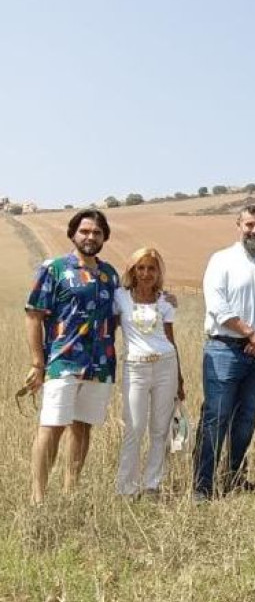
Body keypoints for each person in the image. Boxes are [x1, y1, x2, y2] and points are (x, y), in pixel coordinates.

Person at [25, 209, 120, 505]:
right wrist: (38, 363)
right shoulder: (53, 269)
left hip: (100, 364)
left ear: (104, 237)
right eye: (85, 231)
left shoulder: (110, 275)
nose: (91, 237)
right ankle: (38, 498)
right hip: (63, 362)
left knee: (82, 427)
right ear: (73, 234)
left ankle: (70, 492)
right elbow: (34, 315)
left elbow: (121, 314)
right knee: (51, 425)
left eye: (97, 232)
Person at [195, 205, 255, 501]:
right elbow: (217, 306)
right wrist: (250, 333)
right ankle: (203, 485)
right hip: (224, 349)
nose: (254, 231)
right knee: (217, 417)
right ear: (239, 226)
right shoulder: (221, 260)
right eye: (249, 225)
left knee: (247, 418)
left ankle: (234, 477)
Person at [114, 248, 185, 497]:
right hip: (135, 367)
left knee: (160, 429)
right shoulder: (120, 297)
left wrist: (179, 379)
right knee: (134, 428)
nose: (146, 273)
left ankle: (152, 485)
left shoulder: (165, 301)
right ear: (132, 271)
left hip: (166, 365)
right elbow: (109, 328)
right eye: (140, 268)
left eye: (151, 268)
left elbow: (170, 339)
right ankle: (126, 488)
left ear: (158, 272)